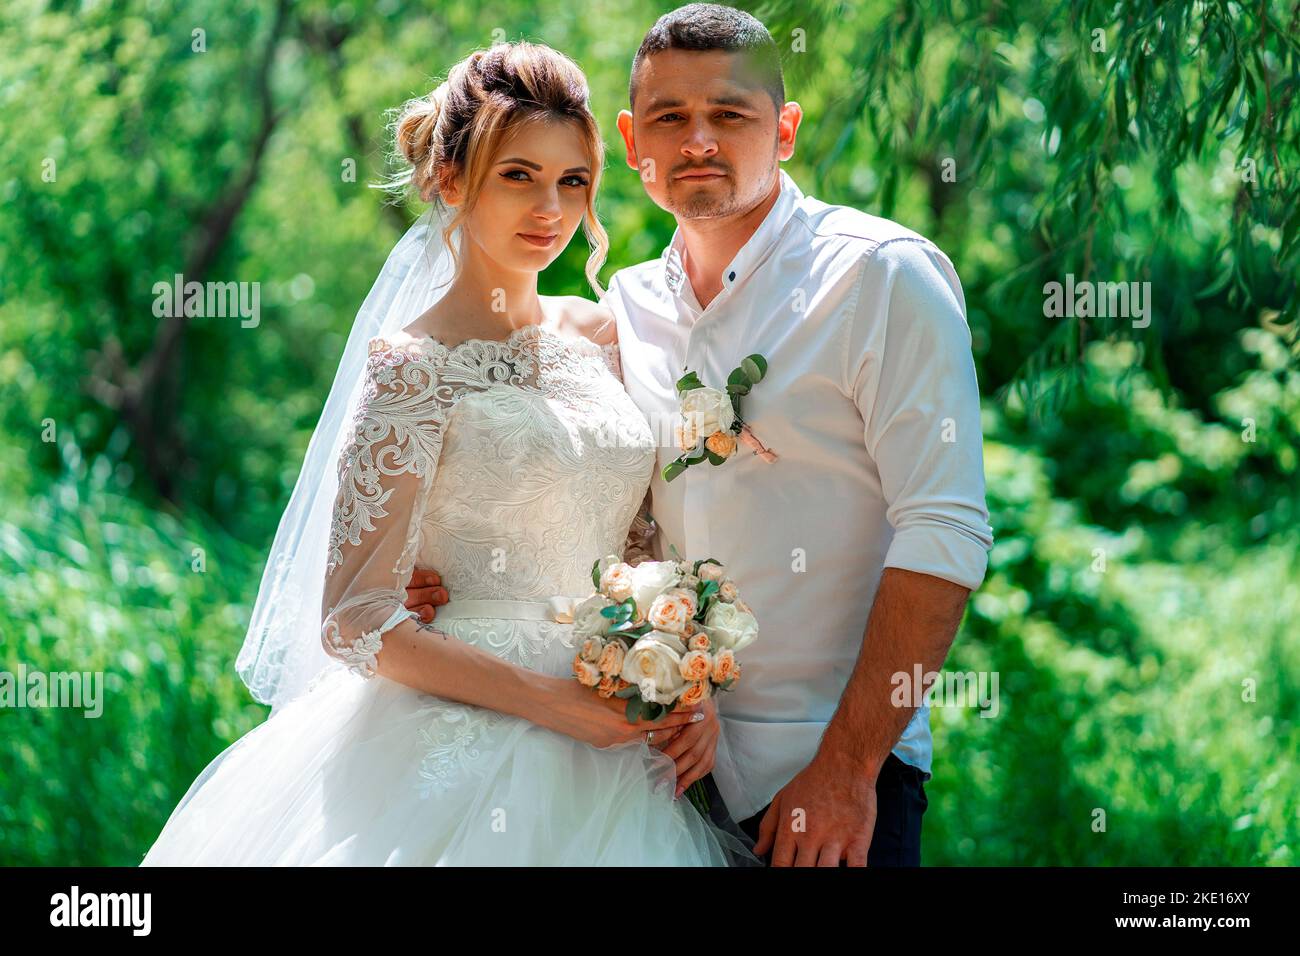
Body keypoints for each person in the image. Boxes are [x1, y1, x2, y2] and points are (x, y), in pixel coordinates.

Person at [141, 40, 759, 866]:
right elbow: (355, 618)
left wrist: (679, 684)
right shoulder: (411, 367)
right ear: (448, 180)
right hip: (459, 732)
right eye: (519, 175)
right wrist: (550, 704)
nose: (551, 207)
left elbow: (636, 550)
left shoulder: (604, 336)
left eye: (572, 181)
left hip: (615, 735)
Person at [408, 4, 995, 867]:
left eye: (731, 115)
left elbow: (946, 531)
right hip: (654, 773)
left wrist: (847, 768)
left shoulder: (882, 277)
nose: (698, 143)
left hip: (830, 775)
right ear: (630, 138)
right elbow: (586, 506)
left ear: (785, 129)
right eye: (670, 118)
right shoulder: (624, 311)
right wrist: (439, 577)